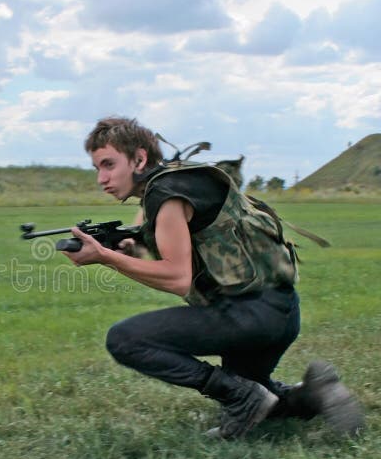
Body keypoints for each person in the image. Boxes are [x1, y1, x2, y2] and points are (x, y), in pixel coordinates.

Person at [62, 116, 364, 439]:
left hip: (247, 315)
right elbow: (196, 253)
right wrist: (128, 252)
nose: (101, 178)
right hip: (281, 311)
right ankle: (314, 392)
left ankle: (241, 395)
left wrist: (106, 257)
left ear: (139, 159)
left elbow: (177, 278)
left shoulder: (163, 194)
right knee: (266, 401)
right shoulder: (184, 182)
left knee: (124, 339)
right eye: (97, 168)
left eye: (108, 165)